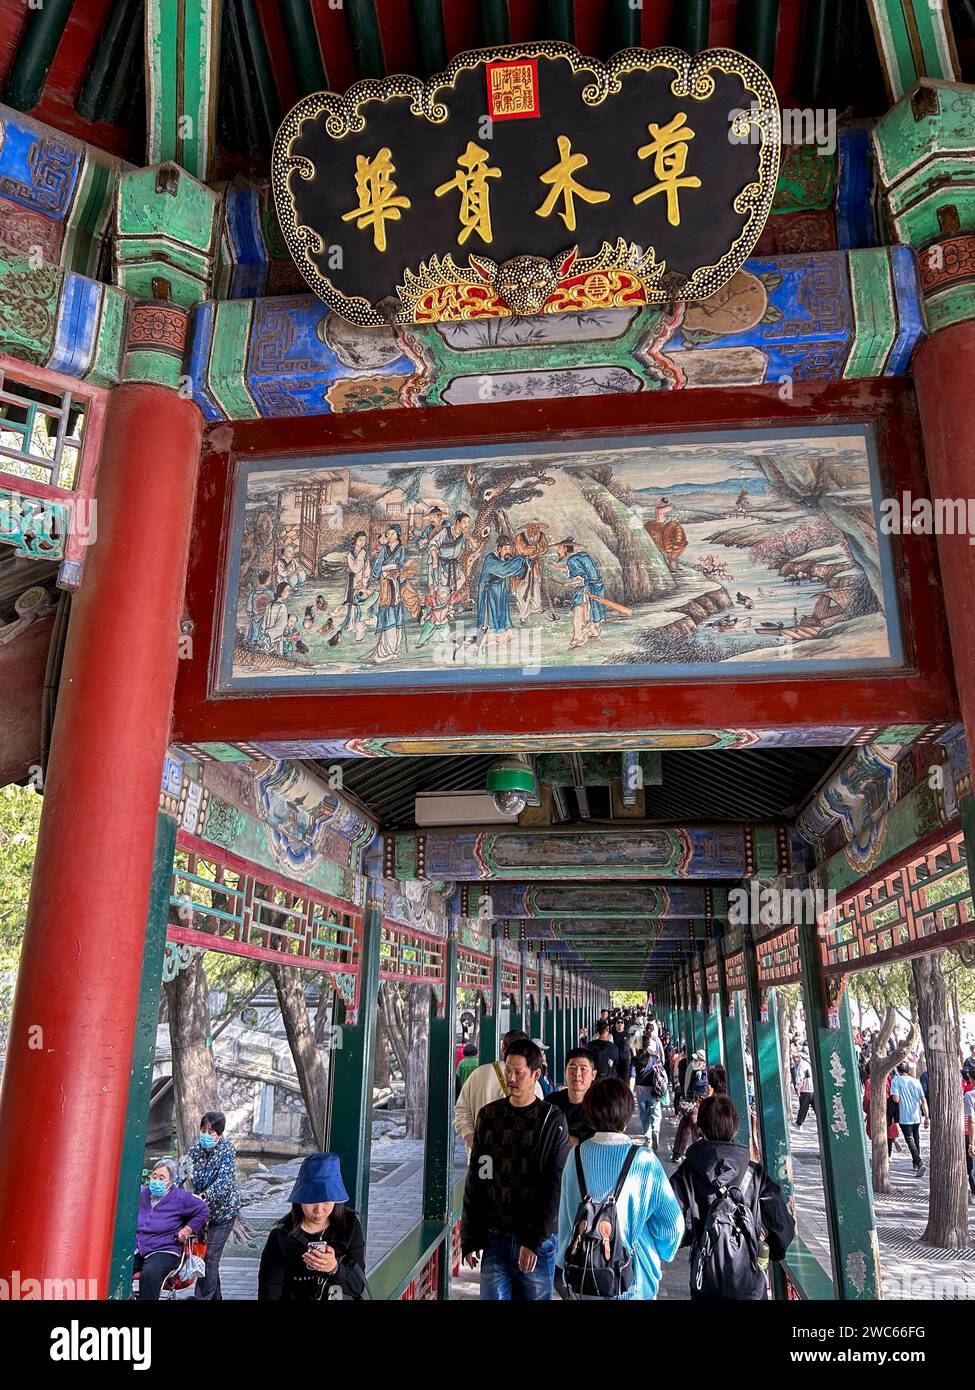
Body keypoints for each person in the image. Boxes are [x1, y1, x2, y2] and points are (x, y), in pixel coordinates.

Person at [461, 1038, 571, 1300]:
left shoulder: (551, 1120)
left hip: (537, 1239)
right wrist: (470, 1234)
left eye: (518, 1073)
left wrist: (534, 1240)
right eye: (508, 1070)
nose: (510, 1078)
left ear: (535, 1074)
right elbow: (477, 1178)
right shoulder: (489, 1116)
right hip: (495, 1235)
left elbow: (556, 1185)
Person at [556, 1078, 684, 1301]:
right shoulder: (644, 1160)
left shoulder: (575, 1156)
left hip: (587, 1277)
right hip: (634, 1280)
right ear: (626, 1114)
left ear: (590, 1112)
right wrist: (659, 1251)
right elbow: (672, 1226)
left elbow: (567, 1222)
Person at [670, 1095, 795, 1301]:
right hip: (749, 1285)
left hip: (705, 1282)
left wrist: (691, 1237)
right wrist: (767, 1251)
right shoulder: (754, 1174)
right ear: (735, 1128)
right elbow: (784, 1228)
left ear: (700, 1128)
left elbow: (668, 1218)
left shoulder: (688, 1171)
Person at [258, 1152, 365, 1300]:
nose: (319, 1210)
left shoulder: (350, 1225)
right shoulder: (280, 1237)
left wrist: (335, 1268)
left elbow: (358, 1288)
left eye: (327, 1201)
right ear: (300, 1198)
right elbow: (269, 1293)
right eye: (311, 1200)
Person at [181, 1110, 241, 1300]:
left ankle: (202, 1299)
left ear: (219, 1134)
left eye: (211, 1132)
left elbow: (224, 1182)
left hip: (223, 1214)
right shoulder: (194, 1150)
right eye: (204, 1130)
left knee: (210, 1259)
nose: (206, 1135)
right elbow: (181, 1174)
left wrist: (203, 1197)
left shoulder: (227, 1150)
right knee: (206, 1259)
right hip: (201, 1215)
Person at [454, 1029, 544, 1153]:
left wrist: (475, 1145)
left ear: (502, 1047)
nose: (512, 1078)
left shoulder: (478, 1074)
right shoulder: (533, 1082)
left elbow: (461, 1112)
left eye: (518, 1073)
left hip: (481, 1162)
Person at [133, 1159, 209, 1300]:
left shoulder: (180, 1198)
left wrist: (188, 1229)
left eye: (162, 1178)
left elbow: (203, 1210)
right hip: (139, 1247)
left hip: (164, 1249)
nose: (156, 1181)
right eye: (154, 1176)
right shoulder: (143, 1194)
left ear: (172, 1181)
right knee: (117, 1266)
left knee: (150, 1274)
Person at [545, 1047, 598, 1146]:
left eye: (583, 1069)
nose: (577, 1074)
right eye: (572, 1068)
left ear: (593, 1075)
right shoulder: (551, 1103)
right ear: (565, 1071)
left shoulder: (600, 1106)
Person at [890, 1061, 928, 1175]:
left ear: (898, 1071)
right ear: (908, 1070)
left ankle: (919, 1162)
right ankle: (915, 1162)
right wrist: (927, 1116)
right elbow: (923, 1100)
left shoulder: (896, 1081)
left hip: (904, 1115)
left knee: (909, 1138)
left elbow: (896, 1099)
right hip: (916, 1115)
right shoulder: (916, 1081)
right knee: (916, 1137)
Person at [634, 1034, 667, 1152]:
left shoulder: (637, 1057)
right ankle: (655, 1131)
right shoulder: (654, 1057)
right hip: (654, 1088)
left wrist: (634, 1085)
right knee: (656, 1112)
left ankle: (648, 1139)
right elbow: (661, 1071)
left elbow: (633, 1073)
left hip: (641, 1089)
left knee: (644, 1114)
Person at [795, 1053, 815, 1128]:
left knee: (803, 1108)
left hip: (806, 1089)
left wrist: (798, 1087)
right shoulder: (810, 1064)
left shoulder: (802, 1065)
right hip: (812, 1089)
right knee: (815, 1108)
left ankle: (799, 1123)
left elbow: (801, 1077)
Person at [963, 1077, 975, 1202]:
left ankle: (973, 1192)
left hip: (969, 1134)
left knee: (971, 1166)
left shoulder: (968, 1095)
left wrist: (971, 1143)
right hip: (968, 1132)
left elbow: (971, 1120)